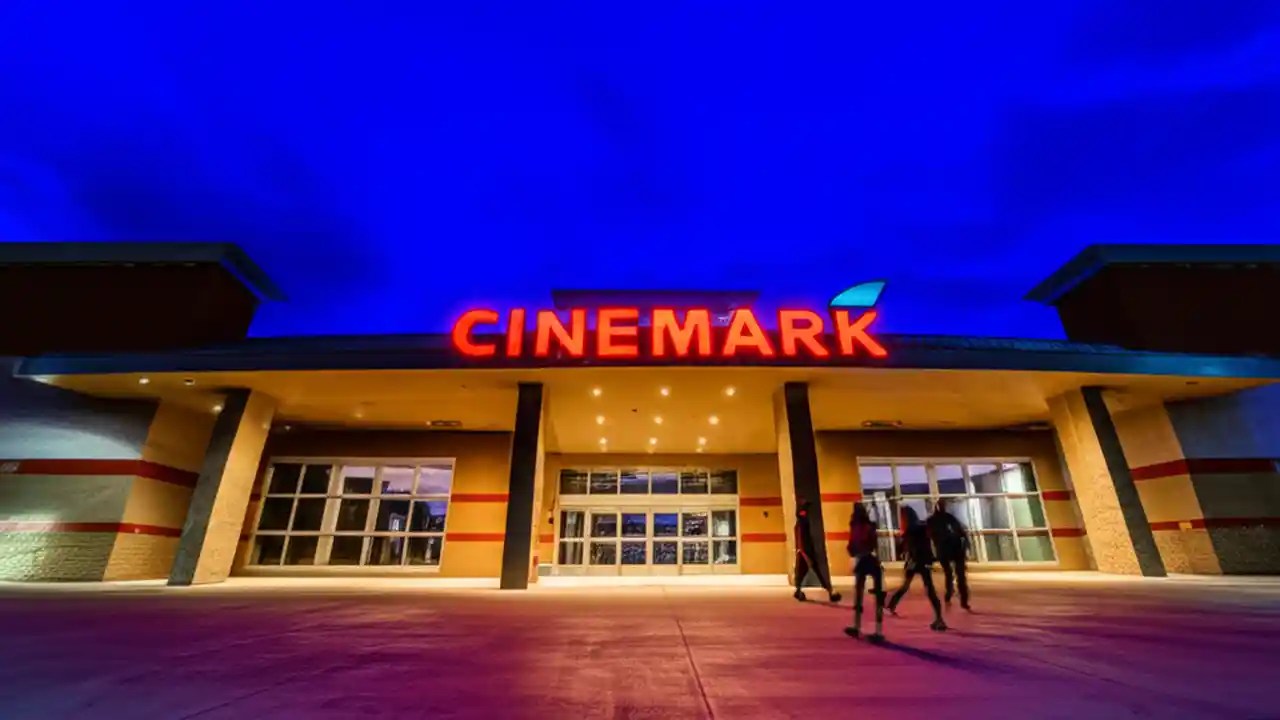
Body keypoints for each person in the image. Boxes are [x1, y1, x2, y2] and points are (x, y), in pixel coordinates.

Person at [886, 505, 947, 631]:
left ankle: (891, 605)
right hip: (923, 560)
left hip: (914, 561)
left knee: (906, 586)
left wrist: (904, 552)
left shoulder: (909, 531)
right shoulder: (922, 528)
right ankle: (939, 618)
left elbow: (905, 547)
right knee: (930, 589)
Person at [842, 502, 885, 642]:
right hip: (870, 559)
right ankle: (878, 630)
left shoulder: (855, 526)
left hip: (862, 559)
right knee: (878, 594)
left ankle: (857, 625)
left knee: (859, 594)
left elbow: (852, 546)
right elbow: (873, 543)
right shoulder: (868, 526)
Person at [793, 500, 842, 603]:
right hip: (805, 553)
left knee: (802, 575)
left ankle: (799, 591)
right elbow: (801, 540)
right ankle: (830, 592)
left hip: (805, 552)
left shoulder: (802, 523)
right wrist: (805, 555)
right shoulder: (802, 523)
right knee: (816, 572)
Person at [927, 501, 970, 610]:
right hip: (951, 549)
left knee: (952, 574)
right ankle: (958, 597)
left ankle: (953, 595)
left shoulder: (933, 520)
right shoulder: (947, 518)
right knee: (956, 574)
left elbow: (930, 537)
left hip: (948, 550)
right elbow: (961, 532)